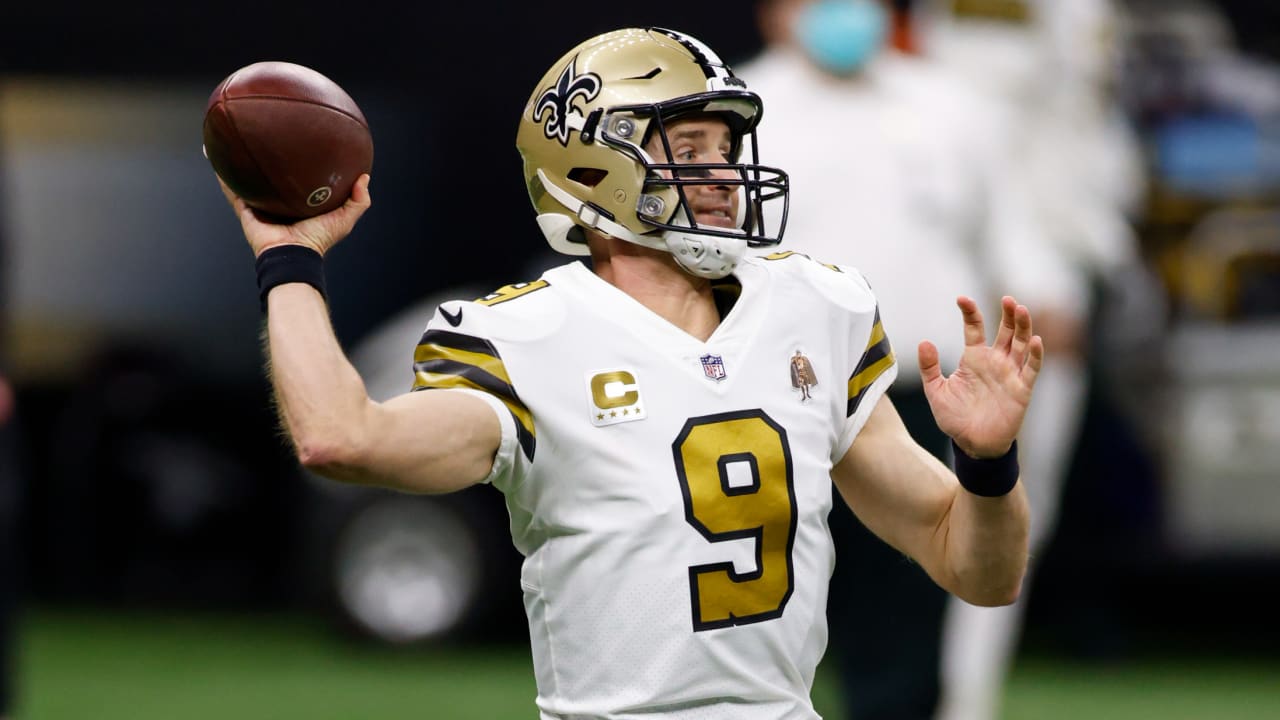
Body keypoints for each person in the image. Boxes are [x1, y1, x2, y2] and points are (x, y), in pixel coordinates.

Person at [218, 26, 1043, 719]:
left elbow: (979, 570)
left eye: (725, 148)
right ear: (590, 170)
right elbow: (339, 438)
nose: (722, 174)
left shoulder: (816, 308)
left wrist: (988, 465)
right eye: (689, 150)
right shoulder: (529, 336)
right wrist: (290, 259)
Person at [735, 2, 1087, 719]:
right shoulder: (741, 112)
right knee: (771, 592)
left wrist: (1049, 291)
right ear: (775, 12)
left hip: (918, 393)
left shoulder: (950, 107)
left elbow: (1009, 232)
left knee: (916, 593)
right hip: (781, 394)